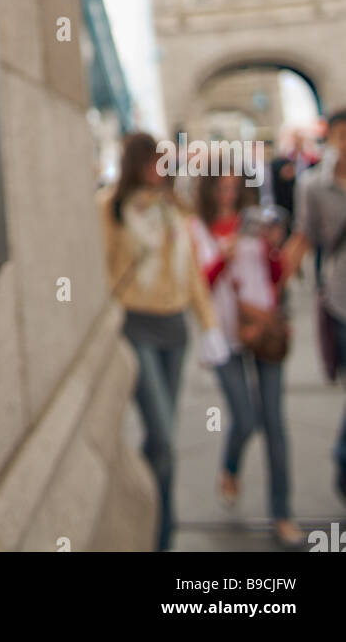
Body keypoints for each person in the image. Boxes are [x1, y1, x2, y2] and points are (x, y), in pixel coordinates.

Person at [98, 132, 225, 552]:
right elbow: (101, 271)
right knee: (165, 436)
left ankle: (159, 517)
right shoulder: (111, 209)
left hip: (175, 328)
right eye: (153, 160)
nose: (160, 169)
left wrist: (209, 325)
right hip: (136, 326)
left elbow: (191, 274)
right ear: (136, 163)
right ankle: (158, 529)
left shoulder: (175, 211)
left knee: (161, 439)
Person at [190, 169, 303, 548]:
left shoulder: (253, 224)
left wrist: (274, 249)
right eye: (221, 188)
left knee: (274, 420)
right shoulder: (197, 229)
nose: (228, 195)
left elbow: (273, 276)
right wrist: (222, 257)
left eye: (235, 189)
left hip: (263, 328)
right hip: (223, 334)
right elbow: (196, 286)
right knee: (245, 416)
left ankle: (282, 512)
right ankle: (231, 467)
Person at [283, 108, 346, 502]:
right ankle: (343, 457)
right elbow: (302, 238)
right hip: (341, 299)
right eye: (341, 135)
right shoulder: (312, 185)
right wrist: (270, 291)